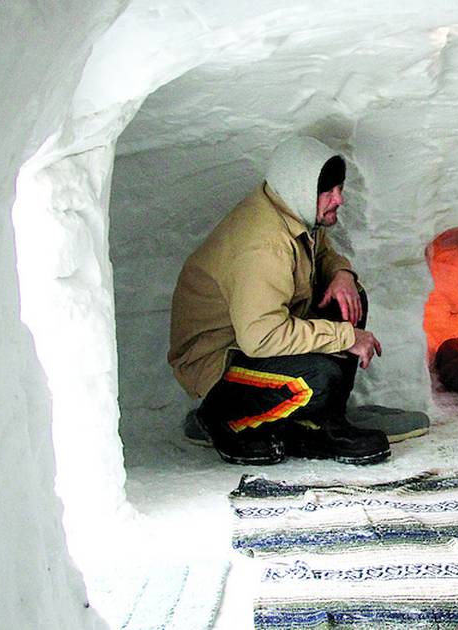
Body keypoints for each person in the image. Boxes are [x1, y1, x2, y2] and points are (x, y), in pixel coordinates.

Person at [168, 136, 393, 466]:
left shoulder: (293, 210)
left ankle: (322, 420)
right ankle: (223, 420)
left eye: (339, 188)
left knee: (349, 298)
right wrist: (345, 337)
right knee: (317, 378)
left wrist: (341, 273)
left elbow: (322, 254)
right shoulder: (264, 246)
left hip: (255, 341)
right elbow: (261, 337)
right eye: (328, 191)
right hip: (222, 361)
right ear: (301, 187)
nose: (339, 199)